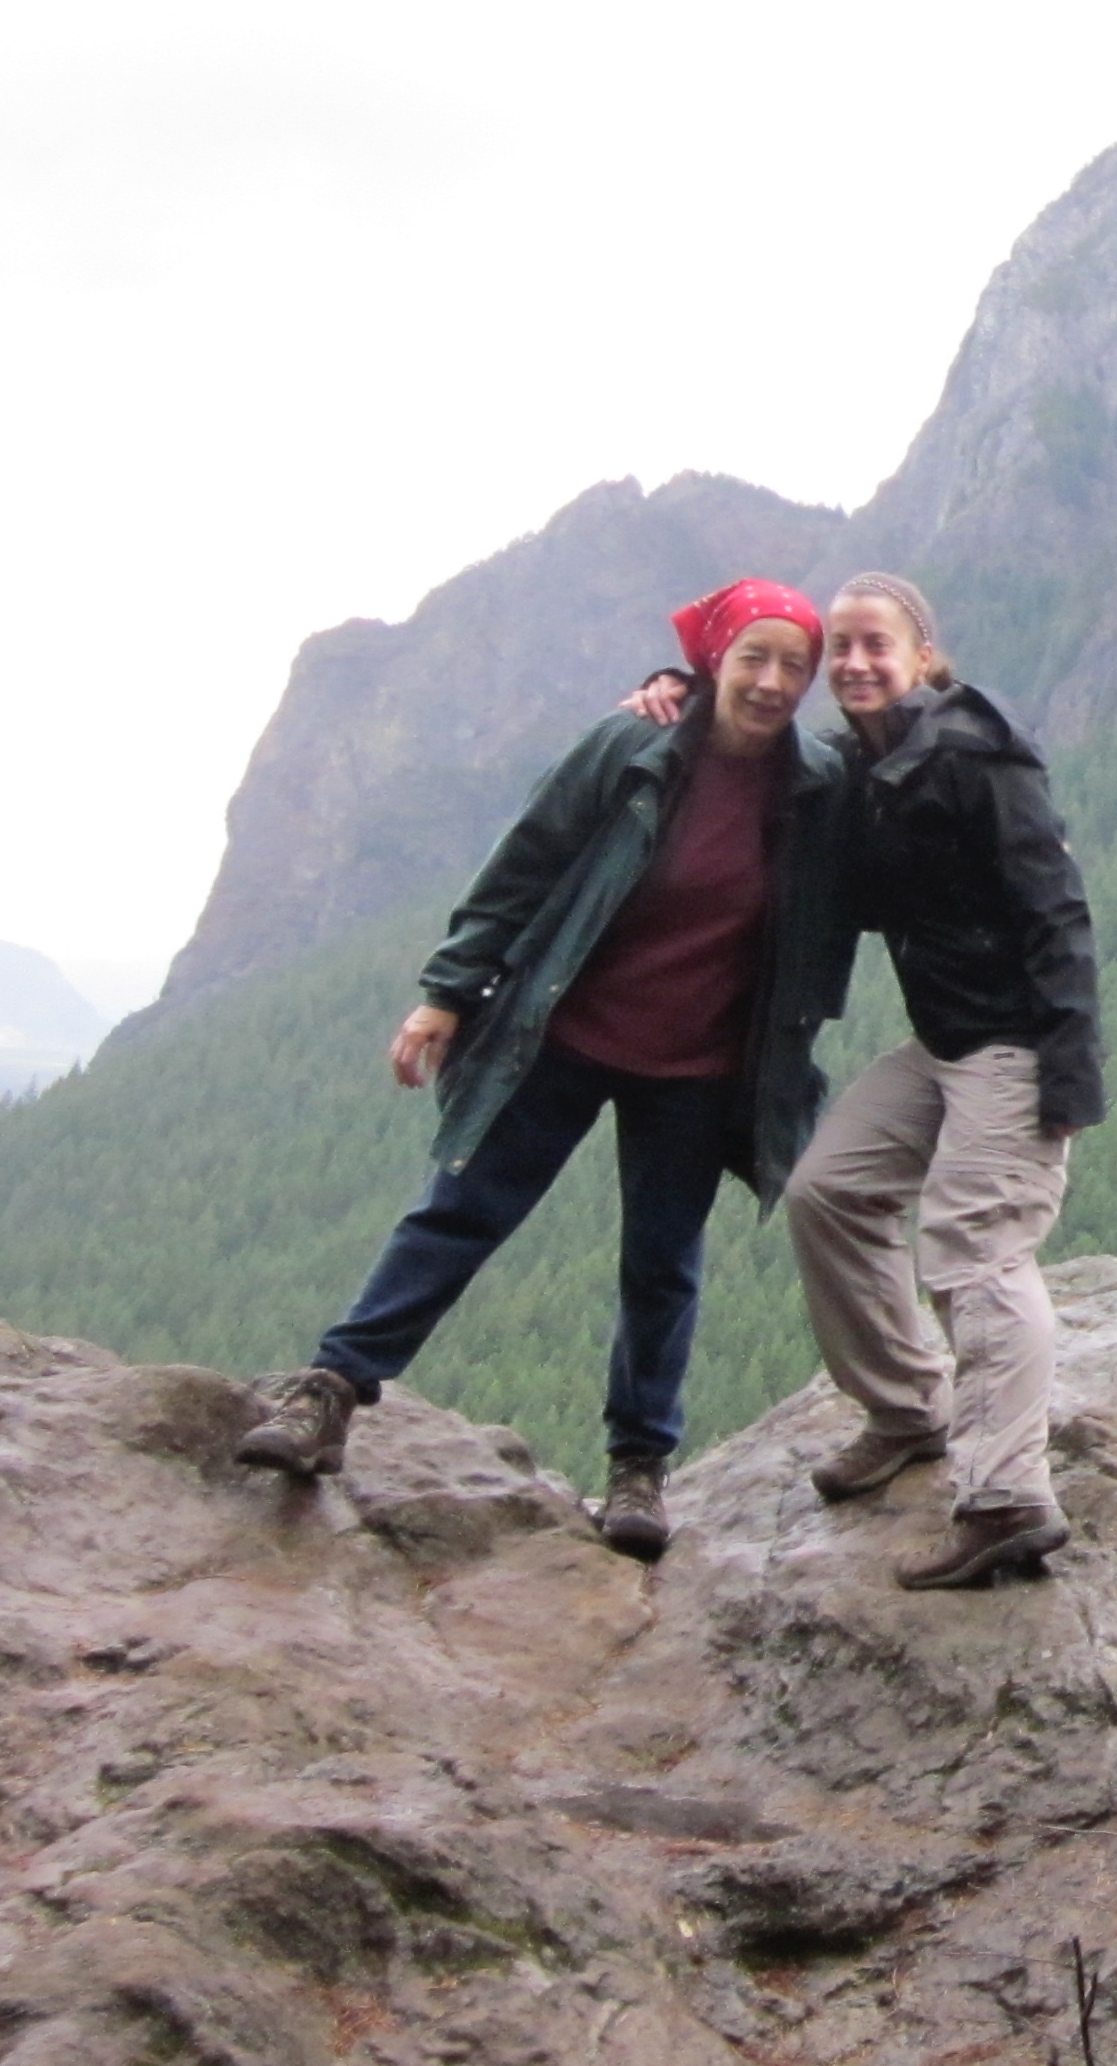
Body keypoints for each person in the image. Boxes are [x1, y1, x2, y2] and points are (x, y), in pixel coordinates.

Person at [234, 580, 853, 1561]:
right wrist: (446, 992)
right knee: (456, 1213)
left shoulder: (819, 788)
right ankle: (330, 1391)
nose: (773, 682)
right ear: (714, 662)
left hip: (698, 1068)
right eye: (754, 658)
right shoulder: (628, 748)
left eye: (793, 666)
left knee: (661, 1265)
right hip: (560, 1034)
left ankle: (639, 1470)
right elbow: (524, 866)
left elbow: (901, 808)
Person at [641, 572, 1103, 1588]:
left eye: (874, 646)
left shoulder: (976, 752)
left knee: (975, 1252)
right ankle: (907, 1411)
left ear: (922, 658)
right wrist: (680, 693)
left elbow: (1054, 908)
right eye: (838, 649)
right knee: (830, 1192)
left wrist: (1067, 1071)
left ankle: (1006, 1498)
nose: (853, 663)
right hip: (944, 1044)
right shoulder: (864, 766)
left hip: (1014, 1045)